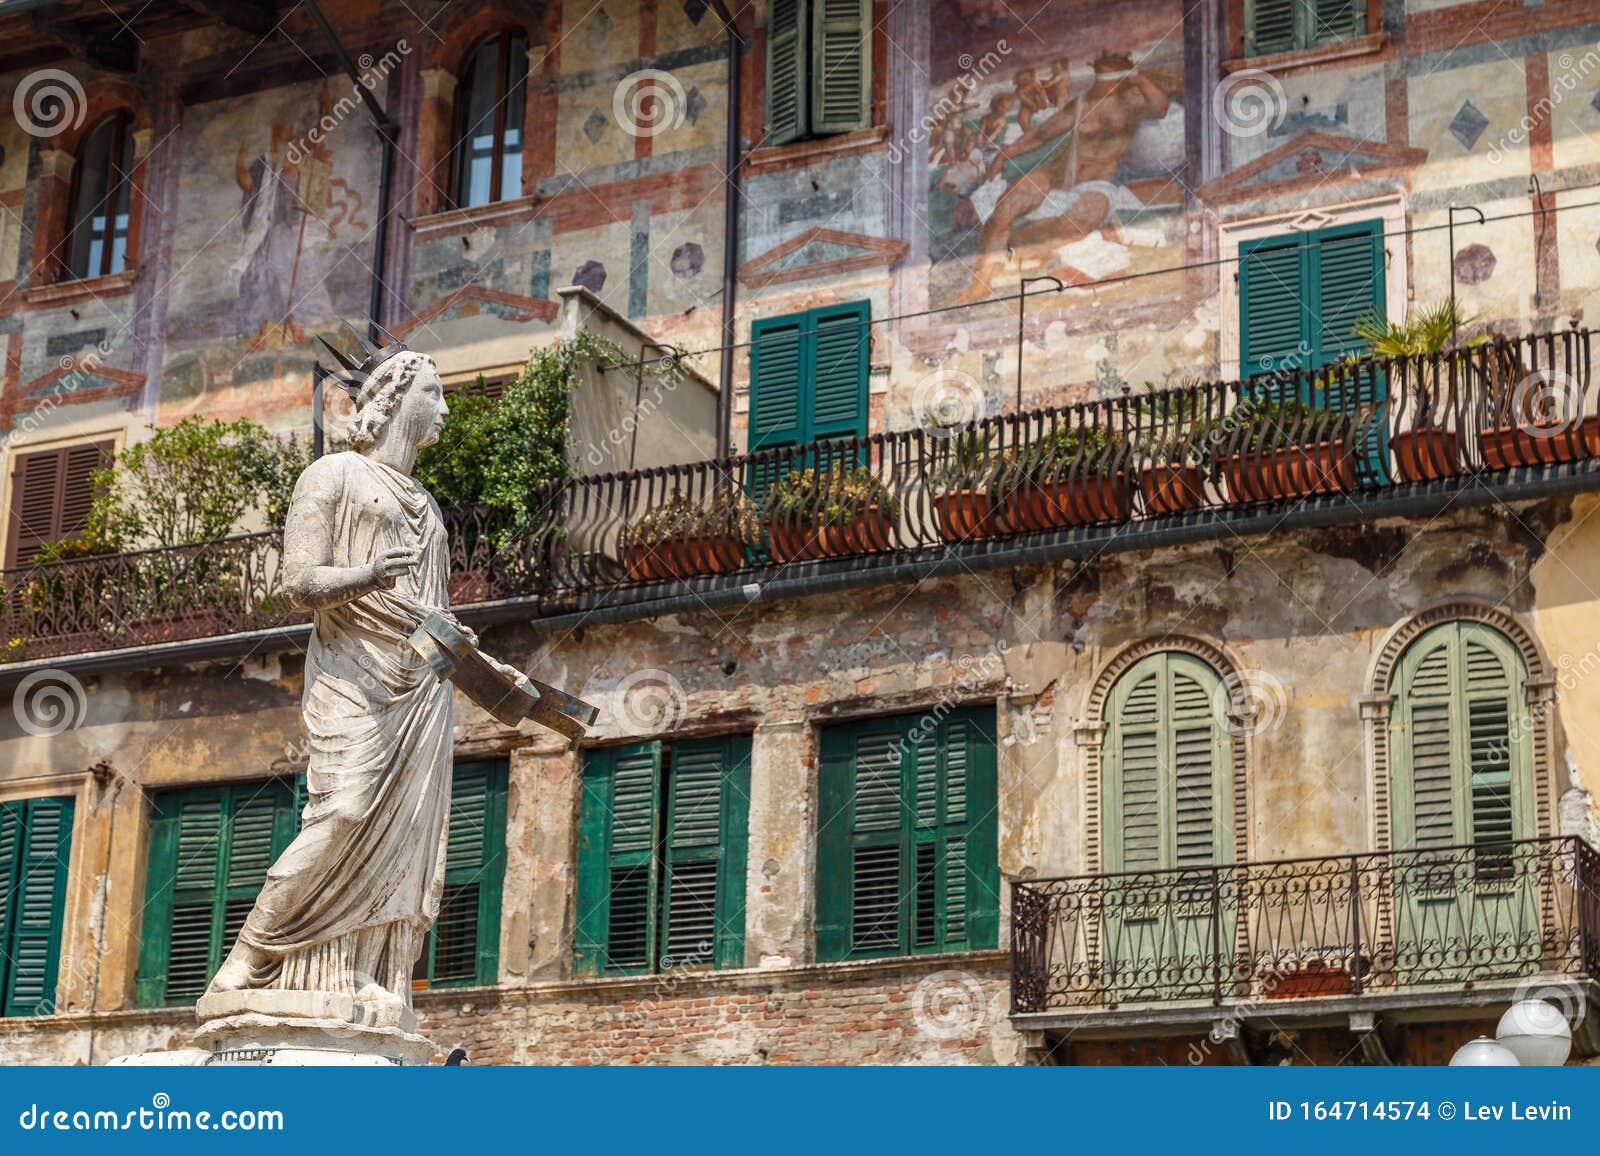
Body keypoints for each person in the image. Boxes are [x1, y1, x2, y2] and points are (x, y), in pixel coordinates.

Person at [205, 345, 498, 1016]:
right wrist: (367, 575)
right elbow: (298, 582)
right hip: (353, 675)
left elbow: (431, 614)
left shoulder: (430, 508)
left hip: (419, 691)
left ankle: (355, 971)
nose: (446, 410)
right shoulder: (332, 475)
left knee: (407, 835)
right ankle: (250, 959)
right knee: (342, 812)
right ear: (395, 400)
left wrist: (475, 655)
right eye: (436, 395)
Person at [954, 53, 1170, 305]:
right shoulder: (1081, 105)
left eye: (1105, 76)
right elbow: (1040, 135)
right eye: (1097, 75)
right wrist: (1004, 155)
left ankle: (1018, 241)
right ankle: (982, 281)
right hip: (1054, 175)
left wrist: (1139, 78)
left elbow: (1161, 108)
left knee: (1081, 220)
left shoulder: (1131, 105)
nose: (1097, 84)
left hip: (1097, 183)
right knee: (1007, 205)